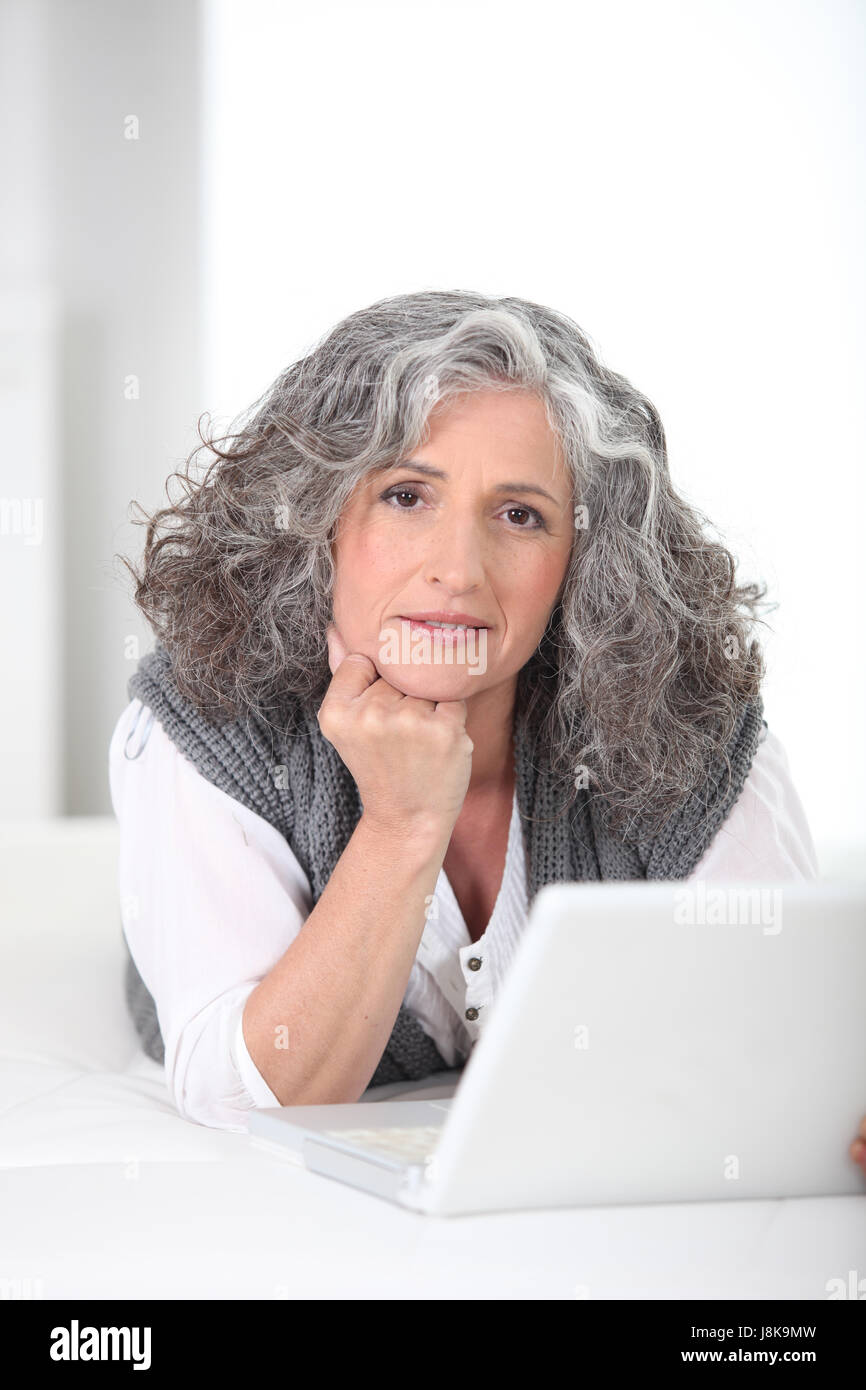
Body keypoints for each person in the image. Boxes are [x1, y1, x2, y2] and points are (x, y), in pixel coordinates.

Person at [109, 289, 864, 1180]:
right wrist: (400, 825)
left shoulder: (684, 721)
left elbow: (795, 1040)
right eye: (405, 495)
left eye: (520, 515)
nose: (458, 571)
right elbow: (245, 1093)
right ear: (319, 519)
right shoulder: (206, 714)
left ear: (583, 558)